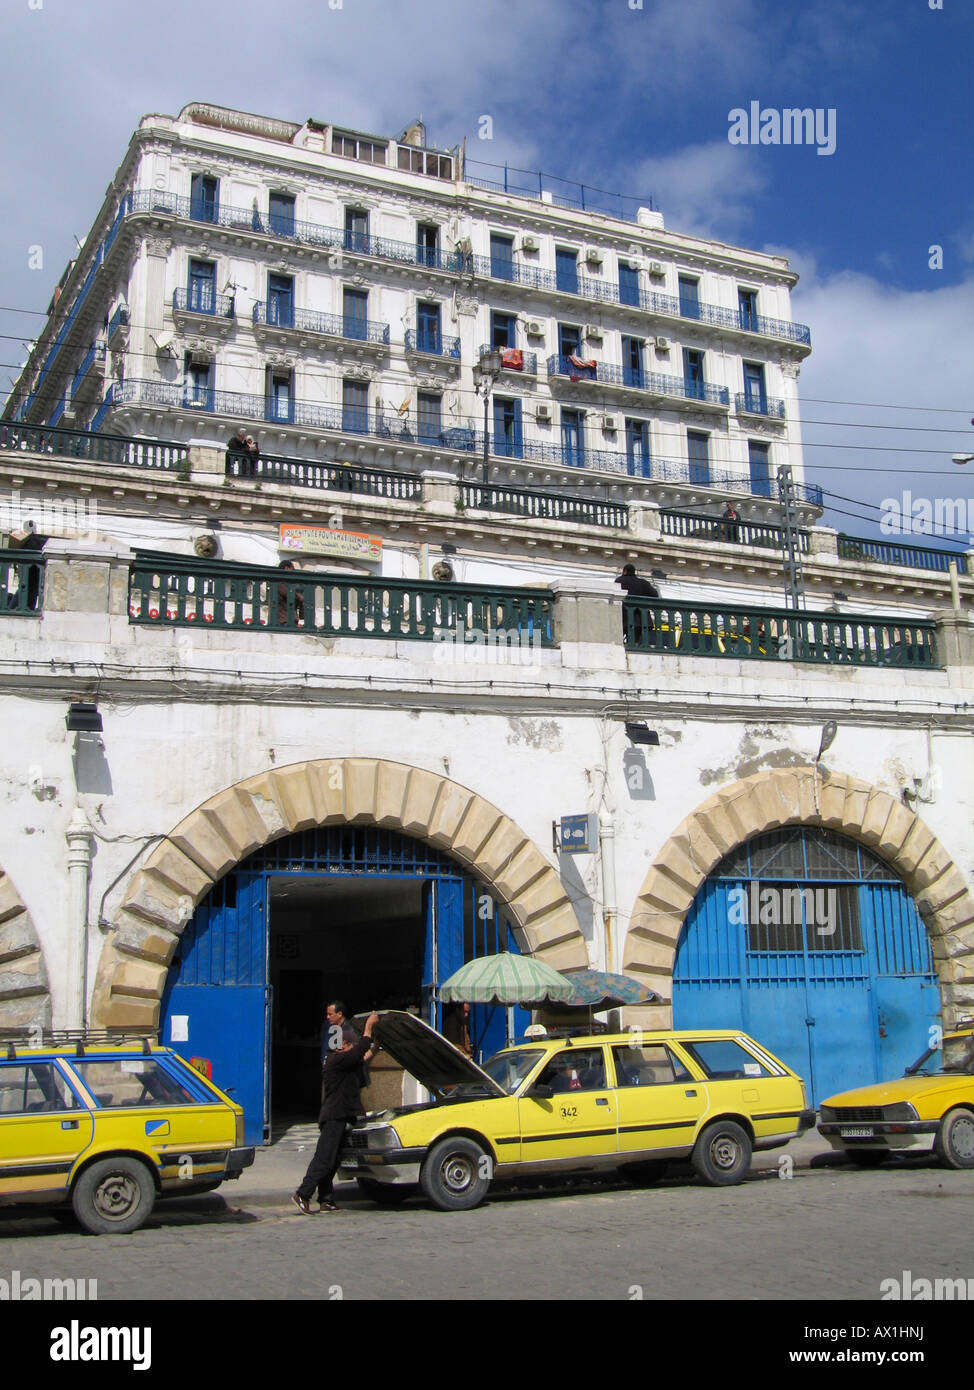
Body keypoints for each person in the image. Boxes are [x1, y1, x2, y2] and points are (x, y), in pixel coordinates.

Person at [294, 1009, 379, 1214]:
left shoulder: (345, 1062)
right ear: (343, 1046)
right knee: (324, 1158)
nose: (351, 1049)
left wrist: (375, 1044)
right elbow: (359, 1053)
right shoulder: (336, 1060)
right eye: (349, 1045)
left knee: (333, 1159)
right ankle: (303, 1194)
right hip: (333, 1116)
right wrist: (368, 1027)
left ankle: (326, 1198)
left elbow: (363, 1056)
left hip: (340, 1115)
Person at [614, 563, 659, 646]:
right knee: (635, 642)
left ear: (624, 571)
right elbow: (655, 595)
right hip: (641, 619)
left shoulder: (619, 581)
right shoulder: (643, 583)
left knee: (618, 640)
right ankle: (635, 645)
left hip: (624, 617)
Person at [276, 559, 306, 626]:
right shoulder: (279, 582)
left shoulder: (285, 583)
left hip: (288, 619)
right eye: (292, 569)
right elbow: (287, 593)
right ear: (286, 568)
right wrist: (300, 597)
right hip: (283, 620)